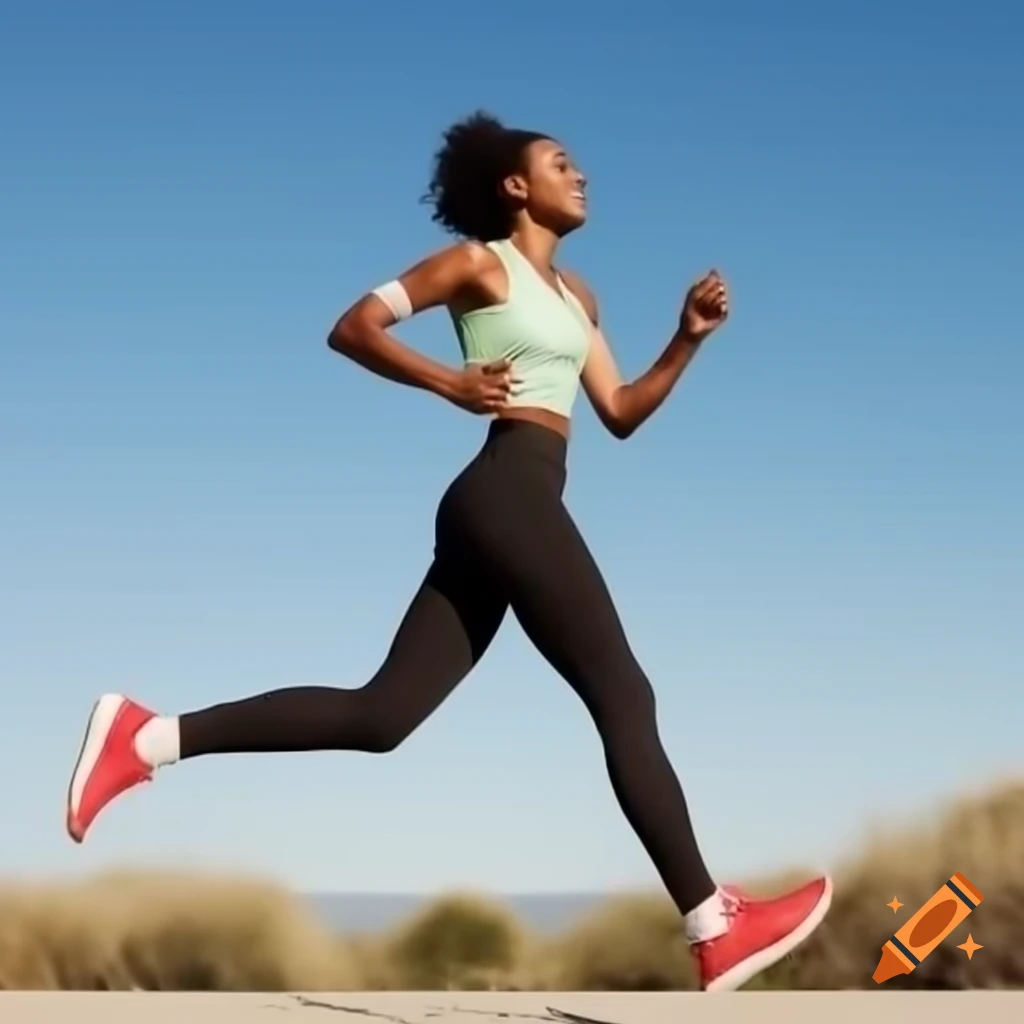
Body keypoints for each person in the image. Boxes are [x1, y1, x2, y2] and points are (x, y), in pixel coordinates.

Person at [65, 110, 831, 992]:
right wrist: (450, 382)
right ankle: (712, 920)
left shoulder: (580, 296)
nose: (581, 176)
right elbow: (354, 325)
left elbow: (617, 412)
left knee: (382, 716)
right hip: (504, 493)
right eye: (562, 164)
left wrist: (688, 339)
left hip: (521, 499)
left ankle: (148, 737)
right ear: (516, 186)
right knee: (623, 688)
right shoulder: (477, 263)